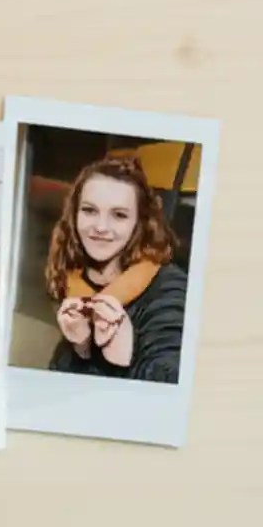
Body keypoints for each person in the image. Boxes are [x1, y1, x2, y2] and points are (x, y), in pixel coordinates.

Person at [45, 155, 187, 383]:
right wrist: (82, 350)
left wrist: (120, 362)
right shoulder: (72, 283)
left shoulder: (170, 288)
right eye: (89, 210)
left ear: (139, 223)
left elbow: (170, 398)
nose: (101, 227)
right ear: (74, 215)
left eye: (119, 215)